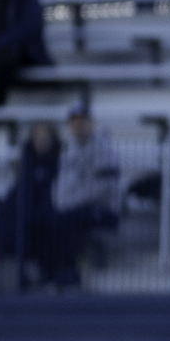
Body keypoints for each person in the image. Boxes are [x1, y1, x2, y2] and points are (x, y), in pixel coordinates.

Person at [47, 104, 121, 288]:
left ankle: (70, 272)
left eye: (82, 121)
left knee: (66, 220)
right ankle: (50, 272)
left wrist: (70, 203)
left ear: (91, 123)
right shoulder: (67, 150)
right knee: (47, 218)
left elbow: (105, 187)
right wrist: (61, 203)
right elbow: (60, 184)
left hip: (103, 210)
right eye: (74, 122)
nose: (78, 126)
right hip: (72, 208)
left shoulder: (103, 148)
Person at [0, 119, 61, 279]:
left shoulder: (57, 161)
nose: (42, 141)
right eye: (38, 137)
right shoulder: (28, 161)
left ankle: (0, 248)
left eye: (46, 137)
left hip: (45, 210)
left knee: (26, 216)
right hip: (24, 208)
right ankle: (0, 247)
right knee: (12, 209)